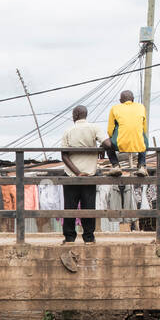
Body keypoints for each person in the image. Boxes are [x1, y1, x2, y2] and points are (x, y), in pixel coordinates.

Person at [59, 105, 104, 244]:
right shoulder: (94, 128)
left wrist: (77, 172)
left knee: (69, 207)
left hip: (72, 175)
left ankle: (69, 237)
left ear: (76, 115)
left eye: (73, 114)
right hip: (89, 175)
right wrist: (103, 149)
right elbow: (106, 142)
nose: (72, 116)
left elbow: (64, 156)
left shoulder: (68, 131)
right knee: (89, 207)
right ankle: (89, 237)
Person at [106, 90, 149, 177]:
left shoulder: (114, 108)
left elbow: (110, 130)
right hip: (138, 143)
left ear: (120, 101)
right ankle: (142, 166)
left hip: (120, 143)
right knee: (144, 141)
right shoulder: (141, 107)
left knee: (106, 144)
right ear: (133, 99)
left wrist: (112, 139)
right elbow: (144, 128)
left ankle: (116, 166)